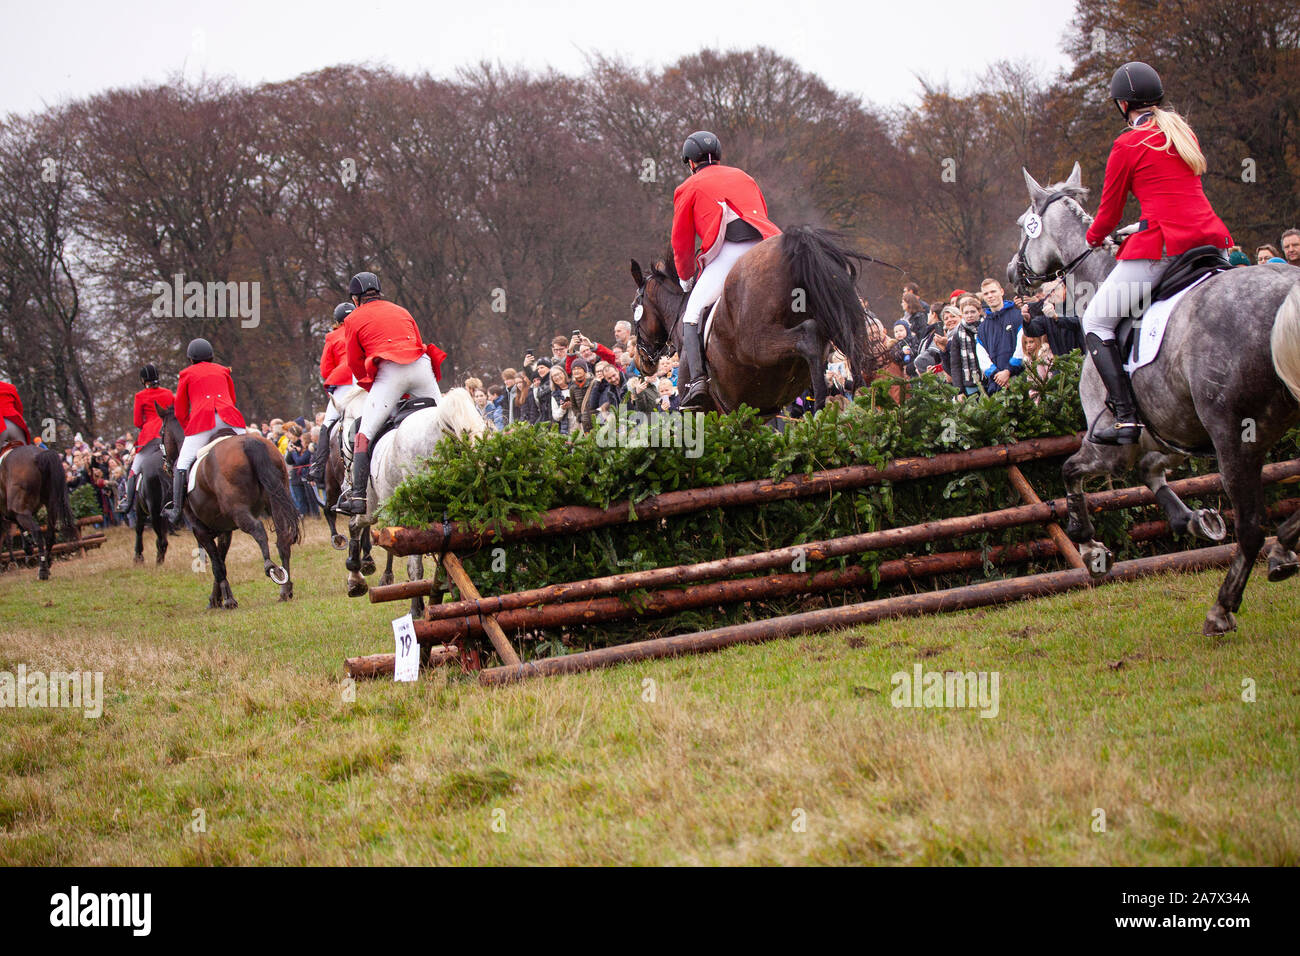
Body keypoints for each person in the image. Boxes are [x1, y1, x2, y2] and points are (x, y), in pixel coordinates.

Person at [1083, 61, 1233, 444]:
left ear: (1122, 104)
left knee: (1096, 323)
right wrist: (1139, 225)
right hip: (1212, 241)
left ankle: (1127, 418)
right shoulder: (1183, 132)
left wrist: (1094, 237)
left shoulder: (1127, 143)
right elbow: (1174, 196)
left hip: (1167, 247)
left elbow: (1109, 212)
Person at [671, 130, 782, 409]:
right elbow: (762, 212)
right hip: (766, 247)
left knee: (692, 315)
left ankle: (697, 382)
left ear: (691, 162)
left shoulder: (688, 187)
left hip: (730, 250)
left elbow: (681, 242)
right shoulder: (745, 177)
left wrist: (685, 278)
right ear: (717, 156)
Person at [335, 272, 447, 515]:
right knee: (447, 422)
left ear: (356, 298)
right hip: (420, 366)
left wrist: (370, 386)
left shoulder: (353, 319)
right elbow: (417, 340)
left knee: (363, 434)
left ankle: (358, 497)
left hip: (390, 372)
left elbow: (354, 360)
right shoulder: (401, 310)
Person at [163, 339, 248, 524]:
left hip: (203, 421)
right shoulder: (223, 370)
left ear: (191, 359)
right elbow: (232, 398)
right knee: (251, 451)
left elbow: (180, 410)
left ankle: (176, 510)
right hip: (230, 418)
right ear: (211, 355)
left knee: (182, 464)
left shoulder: (186, 374)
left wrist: (189, 429)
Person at [308, 302, 356, 485]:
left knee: (327, 425)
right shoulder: (364, 329)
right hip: (366, 378)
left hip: (344, 382)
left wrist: (331, 383)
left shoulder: (333, 336)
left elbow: (325, 369)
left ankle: (318, 468)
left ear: (337, 320)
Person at [118, 364, 175, 514]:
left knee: (134, 469)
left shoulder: (140, 396)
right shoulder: (169, 393)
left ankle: (127, 502)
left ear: (143, 380)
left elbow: (137, 422)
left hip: (150, 437)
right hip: (168, 434)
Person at [976, 279, 1025, 394]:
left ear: (1001, 292)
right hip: (996, 386)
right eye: (986, 294)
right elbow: (982, 357)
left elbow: (1022, 346)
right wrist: (996, 375)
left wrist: (1008, 371)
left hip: (1019, 381)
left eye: (993, 291)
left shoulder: (1018, 316)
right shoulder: (982, 327)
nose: (990, 296)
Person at [1021, 283, 1084, 356]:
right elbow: (1033, 331)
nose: (1053, 294)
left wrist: (1056, 317)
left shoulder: (1077, 303)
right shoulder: (1047, 311)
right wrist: (1027, 320)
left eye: (1055, 290)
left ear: (1064, 289)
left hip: (1081, 358)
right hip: (1061, 361)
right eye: (1049, 292)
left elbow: (1078, 323)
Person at [947, 296, 985, 396]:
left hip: (988, 378)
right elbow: (955, 364)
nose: (969, 315)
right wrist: (959, 390)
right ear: (962, 314)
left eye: (973, 312)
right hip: (969, 382)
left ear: (979, 312)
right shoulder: (958, 334)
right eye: (966, 313)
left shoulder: (986, 328)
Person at [0, 379, 33, 446]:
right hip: (14, 423)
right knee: (24, 449)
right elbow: (19, 407)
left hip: (1, 427)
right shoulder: (10, 387)